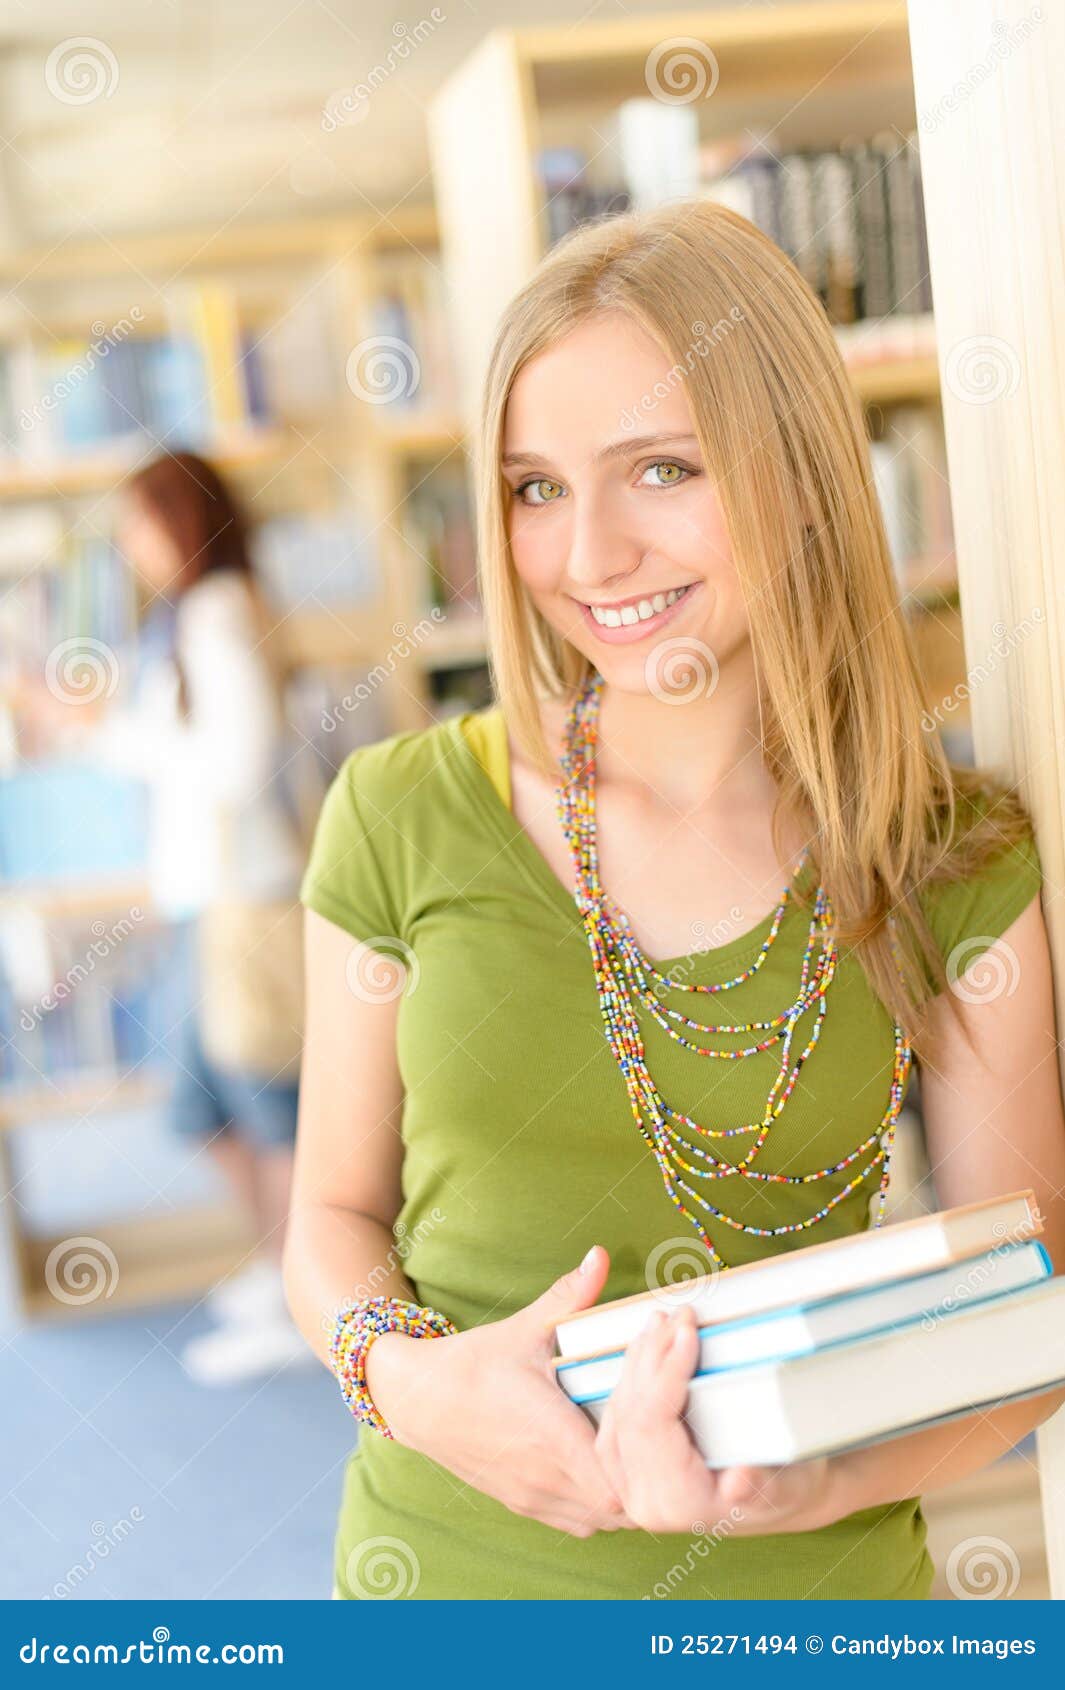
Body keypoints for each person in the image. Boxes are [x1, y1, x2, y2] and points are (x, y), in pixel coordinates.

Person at [283, 201, 1065, 1600]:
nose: (589, 556)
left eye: (660, 469)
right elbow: (328, 1216)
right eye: (535, 488)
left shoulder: (953, 855)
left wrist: (808, 1486)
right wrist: (409, 1381)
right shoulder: (402, 814)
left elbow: (1033, 1305)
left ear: (803, 478)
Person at [81, 451, 310, 1383]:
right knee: (205, 1104)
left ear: (182, 519)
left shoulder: (219, 612)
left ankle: (301, 1293)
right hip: (206, 899)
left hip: (245, 898)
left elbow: (240, 762)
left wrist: (126, 739)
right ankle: (279, 1264)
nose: (131, 546)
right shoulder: (186, 617)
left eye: (141, 523)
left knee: (266, 1101)